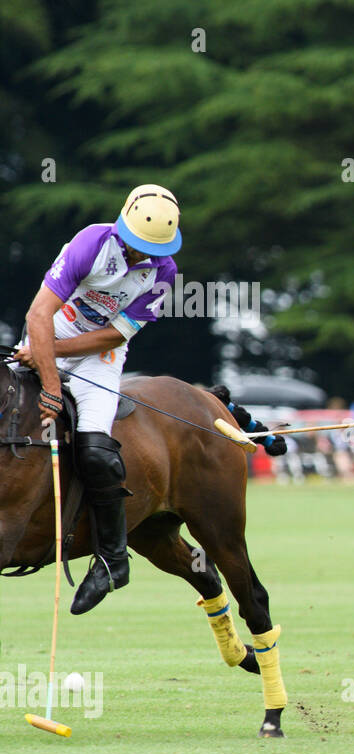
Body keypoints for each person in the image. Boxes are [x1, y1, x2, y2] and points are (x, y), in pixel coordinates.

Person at [14, 184, 182, 613]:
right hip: (48, 330)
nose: (140, 255)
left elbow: (114, 335)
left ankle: (112, 560)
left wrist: (50, 355)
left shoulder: (164, 273)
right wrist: (49, 380)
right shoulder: (91, 242)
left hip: (98, 359)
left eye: (150, 250)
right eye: (136, 245)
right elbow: (39, 313)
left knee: (96, 452)